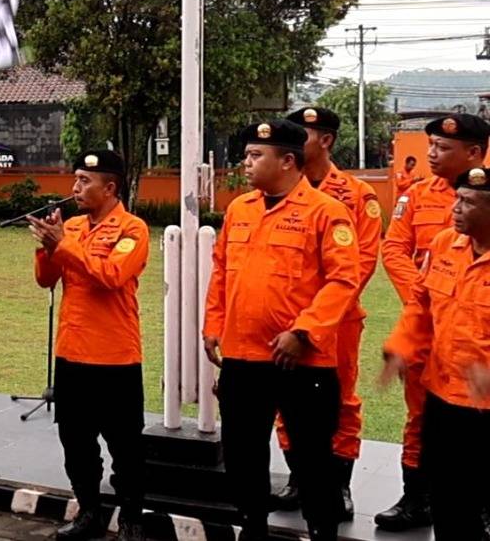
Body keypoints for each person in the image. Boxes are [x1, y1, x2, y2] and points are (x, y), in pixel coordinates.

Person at [203, 120, 361, 541]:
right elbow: (221, 273)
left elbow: (344, 279)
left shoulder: (326, 212)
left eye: (256, 156)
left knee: (312, 461)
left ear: (288, 161)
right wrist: (214, 326)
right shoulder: (240, 209)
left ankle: (321, 530)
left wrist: (304, 332)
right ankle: (252, 527)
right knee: (242, 455)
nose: (246, 163)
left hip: (302, 362)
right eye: (248, 154)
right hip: (242, 358)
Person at [377, 112, 490, 531]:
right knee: (424, 430)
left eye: (442, 147)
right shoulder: (423, 203)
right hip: (439, 359)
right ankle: (417, 498)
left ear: (474, 152)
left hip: (480, 382)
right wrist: (418, 318)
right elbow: (397, 254)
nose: (431, 155)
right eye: (430, 146)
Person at [267, 107, 382, 520]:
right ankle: (299, 479)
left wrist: (319, 315)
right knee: (286, 399)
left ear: (326, 140)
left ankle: (339, 484)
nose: (295, 141)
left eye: (303, 133)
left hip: (338, 320)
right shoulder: (280, 189)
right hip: (285, 319)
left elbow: (362, 262)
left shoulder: (355, 196)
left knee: (341, 401)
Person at [28, 150, 149, 541]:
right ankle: (89, 511)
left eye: (84, 181)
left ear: (110, 187)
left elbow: (111, 275)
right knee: (76, 443)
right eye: (75, 179)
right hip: (72, 352)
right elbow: (46, 280)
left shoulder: (133, 229)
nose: (75, 188)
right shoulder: (74, 227)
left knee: (125, 446)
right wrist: (48, 247)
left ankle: (131, 517)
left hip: (115, 356)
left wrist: (63, 245)